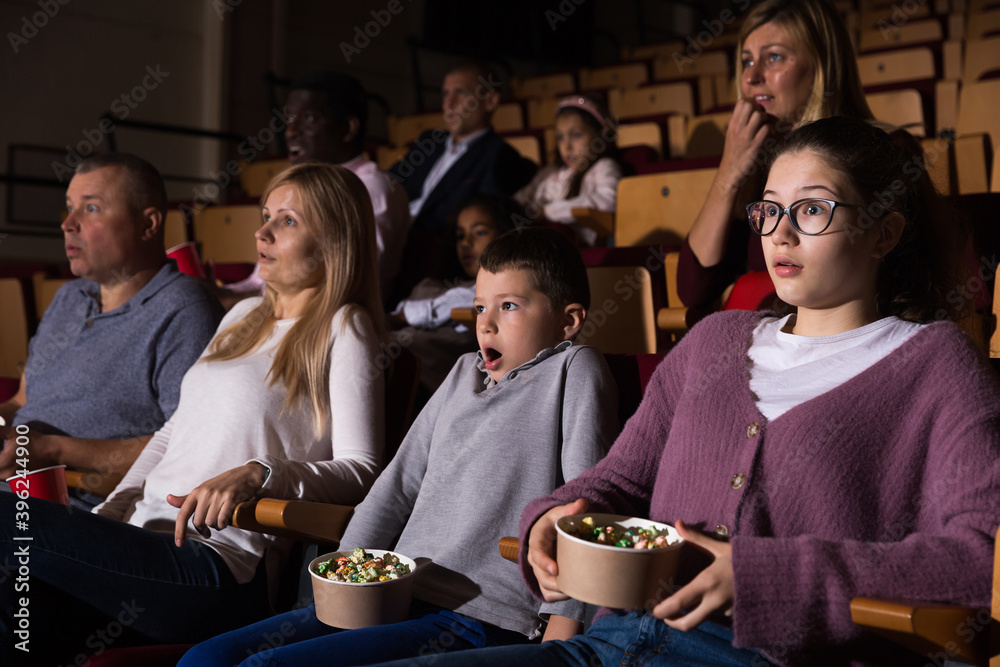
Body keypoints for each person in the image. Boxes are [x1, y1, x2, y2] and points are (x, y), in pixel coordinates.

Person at [369, 117, 1000, 666]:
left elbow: (975, 561)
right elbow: (614, 482)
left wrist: (764, 576)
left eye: (812, 209)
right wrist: (557, 514)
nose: (779, 233)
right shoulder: (713, 342)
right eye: (769, 209)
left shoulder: (938, 365)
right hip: (609, 646)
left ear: (884, 233)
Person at [178, 225, 620, 666]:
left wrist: (564, 626)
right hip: (389, 595)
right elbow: (397, 485)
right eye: (480, 306)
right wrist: (342, 577)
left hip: (478, 617)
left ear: (569, 320)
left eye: (509, 306)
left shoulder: (574, 368)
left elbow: (585, 509)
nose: (485, 323)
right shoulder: (462, 373)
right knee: (205, 658)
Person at [0, 163, 387, 665]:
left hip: (214, 564)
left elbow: (363, 471)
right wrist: (110, 514)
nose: (261, 231)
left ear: (334, 239)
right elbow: (170, 434)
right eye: (265, 215)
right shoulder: (243, 316)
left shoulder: (345, 327)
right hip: (140, 546)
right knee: (15, 602)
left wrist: (259, 473)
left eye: (287, 221)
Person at [0, 153, 223, 482]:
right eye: (70, 206)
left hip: (82, 508)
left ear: (148, 224)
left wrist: (53, 450)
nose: (68, 223)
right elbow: (24, 398)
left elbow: (189, 447)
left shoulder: (185, 309)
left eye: (91, 208)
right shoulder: (69, 296)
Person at [678, 0, 873, 309]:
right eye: (746, 61)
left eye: (774, 57)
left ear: (820, 65)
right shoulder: (755, 159)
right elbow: (693, 290)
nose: (752, 77)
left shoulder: (881, 151)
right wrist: (728, 174)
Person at [223, 71, 410, 305]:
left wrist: (232, 302)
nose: (291, 131)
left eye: (309, 118)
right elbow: (258, 283)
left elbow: (342, 286)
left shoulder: (370, 188)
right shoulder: (299, 186)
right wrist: (220, 291)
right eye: (289, 119)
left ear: (348, 128)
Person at [387, 60, 535, 304]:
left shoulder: (499, 155)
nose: (449, 103)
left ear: (490, 101)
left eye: (461, 93)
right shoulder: (429, 141)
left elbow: (480, 217)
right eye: (445, 94)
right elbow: (388, 184)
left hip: (429, 253)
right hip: (392, 234)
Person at [388, 193, 519, 394]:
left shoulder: (506, 289)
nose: (466, 242)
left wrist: (401, 317)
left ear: (505, 235)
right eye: (460, 236)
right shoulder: (435, 286)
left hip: (428, 382)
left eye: (479, 232)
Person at [516, 94, 622, 246]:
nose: (567, 146)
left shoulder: (604, 167)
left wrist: (548, 212)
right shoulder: (551, 171)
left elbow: (608, 202)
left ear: (600, 135)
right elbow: (521, 199)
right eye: (560, 137)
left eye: (576, 135)